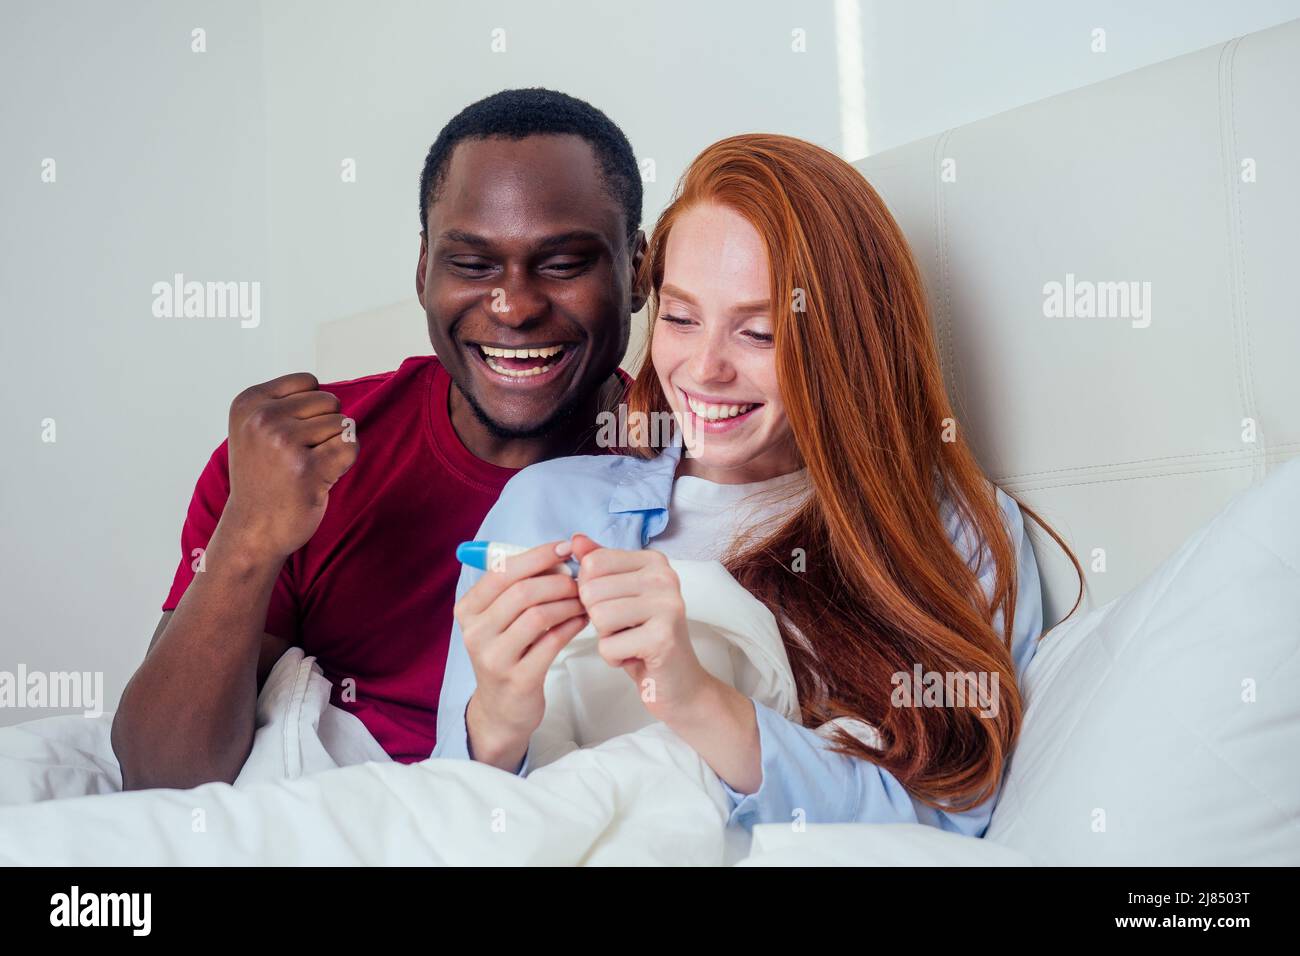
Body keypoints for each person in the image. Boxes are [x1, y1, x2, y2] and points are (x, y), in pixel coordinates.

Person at [437, 133, 1084, 832]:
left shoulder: (949, 531)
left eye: (760, 334)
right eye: (681, 318)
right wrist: (498, 717)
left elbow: (949, 821)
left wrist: (696, 699)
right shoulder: (548, 504)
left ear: (848, 344)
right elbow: (446, 820)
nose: (703, 368)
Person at [110, 89, 648, 790]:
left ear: (637, 270)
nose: (513, 306)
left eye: (562, 263)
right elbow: (161, 776)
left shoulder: (690, 471)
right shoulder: (295, 460)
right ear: (424, 270)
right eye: (474, 265)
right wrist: (247, 538)